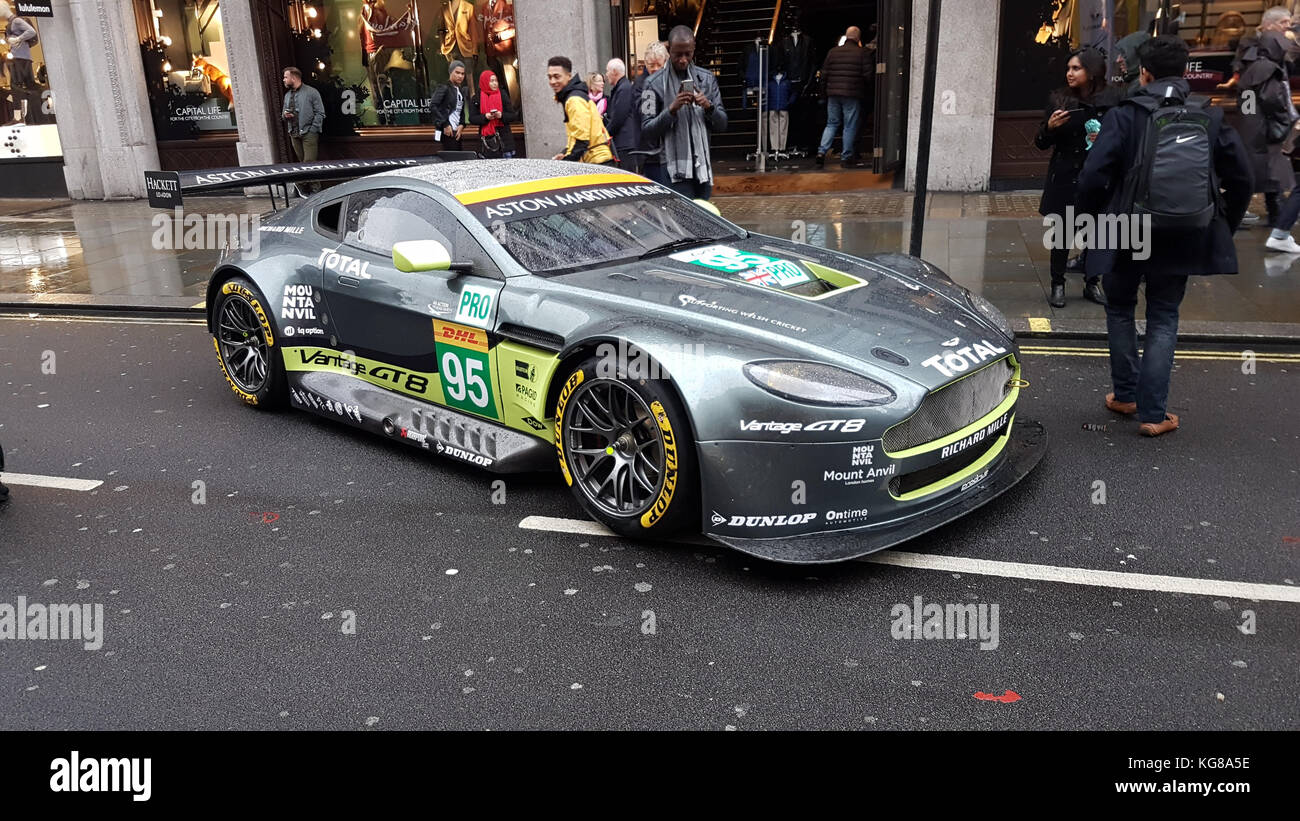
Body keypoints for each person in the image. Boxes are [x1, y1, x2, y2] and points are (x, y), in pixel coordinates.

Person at [1077, 35, 1252, 437]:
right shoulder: (1210, 115)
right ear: (1185, 71)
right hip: (1183, 232)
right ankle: (1154, 415)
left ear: (1145, 73)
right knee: (1163, 316)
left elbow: (1092, 177)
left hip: (1124, 230)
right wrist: (1222, 224)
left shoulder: (1125, 115)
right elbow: (1243, 178)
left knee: (1120, 309)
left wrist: (1089, 222)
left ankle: (1125, 396)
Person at [1035, 47, 1119, 307]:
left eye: (1076, 68)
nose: (1069, 73)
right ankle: (1057, 284)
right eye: (1068, 68)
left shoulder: (1113, 100)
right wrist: (1050, 128)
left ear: (1091, 72)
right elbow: (1040, 142)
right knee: (1062, 234)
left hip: (1099, 176)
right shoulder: (1059, 99)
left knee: (1097, 232)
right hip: (1066, 175)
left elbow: (1122, 138)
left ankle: (1092, 282)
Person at [1234, 7, 1300, 252]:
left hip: (1253, 124)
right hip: (1265, 127)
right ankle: (1276, 216)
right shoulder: (1267, 68)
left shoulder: (1253, 65)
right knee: (1270, 169)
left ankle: (1276, 213)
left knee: (1265, 170)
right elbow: (1272, 99)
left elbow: (1248, 98)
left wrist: (1250, 116)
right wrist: (1283, 117)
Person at [640, 25, 728, 199]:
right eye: (678, 54)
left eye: (688, 54)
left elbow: (723, 124)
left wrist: (708, 106)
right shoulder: (651, 84)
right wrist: (672, 109)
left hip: (702, 169)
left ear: (694, 49)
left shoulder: (707, 80)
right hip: (672, 170)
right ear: (669, 51)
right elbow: (647, 130)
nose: (683, 60)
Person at [815, 26, 873, 168]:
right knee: (849, 125)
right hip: (852, 94)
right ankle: (846, 156)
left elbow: (824, 75)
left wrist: (823, 93)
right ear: (858, 38)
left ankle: (821, 152)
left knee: (831, 123)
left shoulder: (832, 52)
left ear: (846, 36)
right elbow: (868, 76)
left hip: (833, 93)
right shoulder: (862, 53)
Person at [547, 56, 616, 165]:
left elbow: (582, 140)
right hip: (597, 159)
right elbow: (578, 137)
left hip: (597, 161)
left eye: (557, 76)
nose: (552, 81)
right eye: (549, 77)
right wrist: (566, 153)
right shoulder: (574, 96)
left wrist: (566, 162)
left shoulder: (574, 100)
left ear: (568, 76)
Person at [282, 67, 325, 194]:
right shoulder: (287, 95)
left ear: (294, 78)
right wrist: (286, 115)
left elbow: (320, 112)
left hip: (308, 133)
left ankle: (298, 184)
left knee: (309, 163)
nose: (283, 79)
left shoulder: (311, 92)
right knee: (304, 164)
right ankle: (315, 189)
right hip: (294, 133)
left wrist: (313, 129)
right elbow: (282, 115)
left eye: (285, 77)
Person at [467, 69, 519, 158]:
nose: (495, 83)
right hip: (487, 142)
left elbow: (513, 115)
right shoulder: (477, 98)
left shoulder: (502, 95)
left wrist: (501, 115)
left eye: (496, 81)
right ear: (484, 82)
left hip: (504, 140)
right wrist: (485, 117)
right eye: (491, 81)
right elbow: (472, 118)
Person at [604, 58, 642, 172]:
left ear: (614, 72)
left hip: (625, 145)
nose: (606, 75)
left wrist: (605, 134)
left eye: (607, 71)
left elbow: (618, 118)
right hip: (624, 143)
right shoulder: (622, 88)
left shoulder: (624, 88)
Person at [431, 60, 468, 150]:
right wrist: (445, 124)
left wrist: (462, 125)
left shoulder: (460, 90)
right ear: (451, 72)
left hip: (457, 132)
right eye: (457, 73)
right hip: (447, 131)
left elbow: (461, 111)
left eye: (462, 74)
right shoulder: (444, 87)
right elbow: (433, 106)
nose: (460, 76)